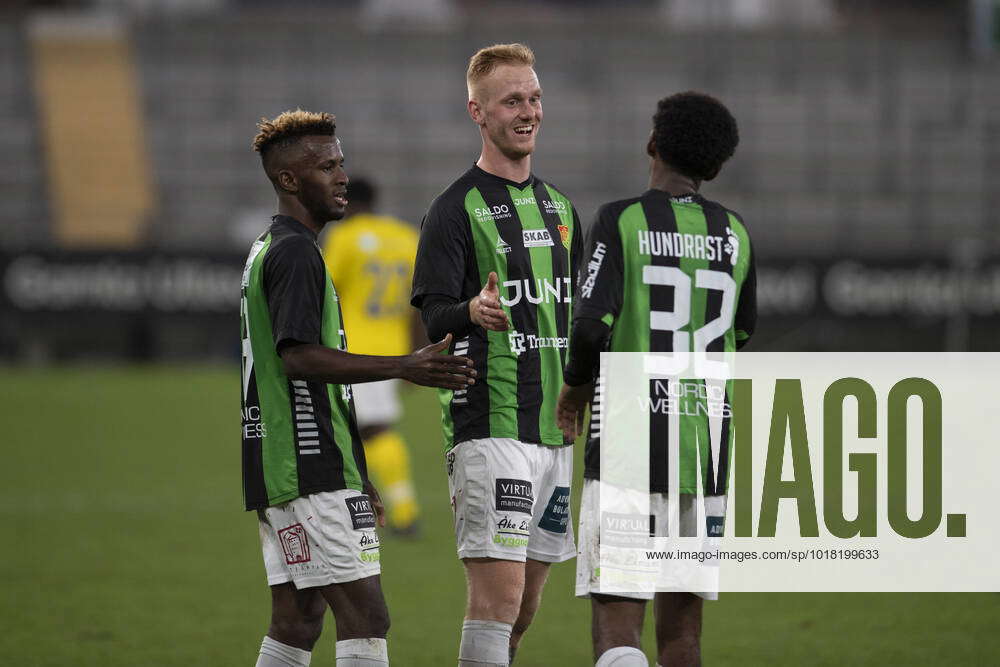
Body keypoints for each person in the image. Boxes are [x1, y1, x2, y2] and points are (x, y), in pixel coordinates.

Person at [241, 110, 476, 667]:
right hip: (308, 465)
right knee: (366, 617)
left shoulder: (272, 246)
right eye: (326, 166)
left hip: (286, 462)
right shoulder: (298, 253)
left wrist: (359, 473)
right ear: (289, 180)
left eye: (341, 163)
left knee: (297, 620)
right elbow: (298, 358)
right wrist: (404, 364)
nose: (341, 175)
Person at [556, 92, 756, 667]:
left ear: (652, 145)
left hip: (629, 446)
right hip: (707, 451)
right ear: (715, 168)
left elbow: (591, 326)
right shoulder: (735, 232)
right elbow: (741, 332)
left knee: (618, 626)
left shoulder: (621, 220)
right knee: (683, 636)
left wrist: (573, 389)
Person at [410, 44, 583, 666]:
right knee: (499, 596)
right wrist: (470, 313)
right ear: (477, 112)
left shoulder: (562, 209)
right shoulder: (454, 209)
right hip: (489, 425)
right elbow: (431, 312)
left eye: (534, 98)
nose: (528, 111)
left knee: (526, 607)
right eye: (512, 100)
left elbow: (572, 315)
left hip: (554, 435)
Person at [322, 177, 425, 536]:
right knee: (360, 430)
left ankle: (405, 512)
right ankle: (364, 508)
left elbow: (325, 291)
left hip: (355, 349)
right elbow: (419, 303)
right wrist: (415, 352)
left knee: (371, 430)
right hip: (394, 347)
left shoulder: (345, 237)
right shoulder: (407, 238)